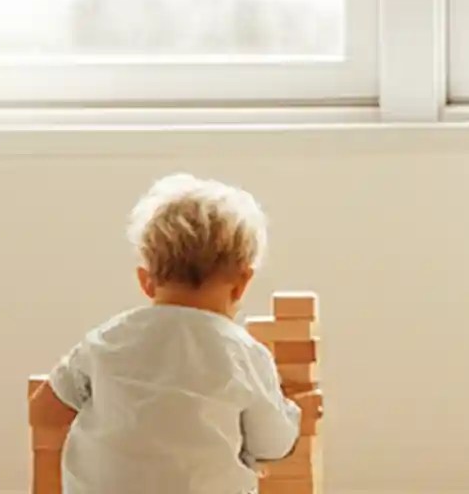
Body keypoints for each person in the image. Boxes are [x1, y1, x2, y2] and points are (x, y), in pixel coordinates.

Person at [28, 173, 321, 493]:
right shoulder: (243, 354)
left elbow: (45, 407)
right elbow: (272, 444)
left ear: (146, 280)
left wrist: (52, 457)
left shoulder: (106, 341)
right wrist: (293, 411)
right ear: (241, 284)